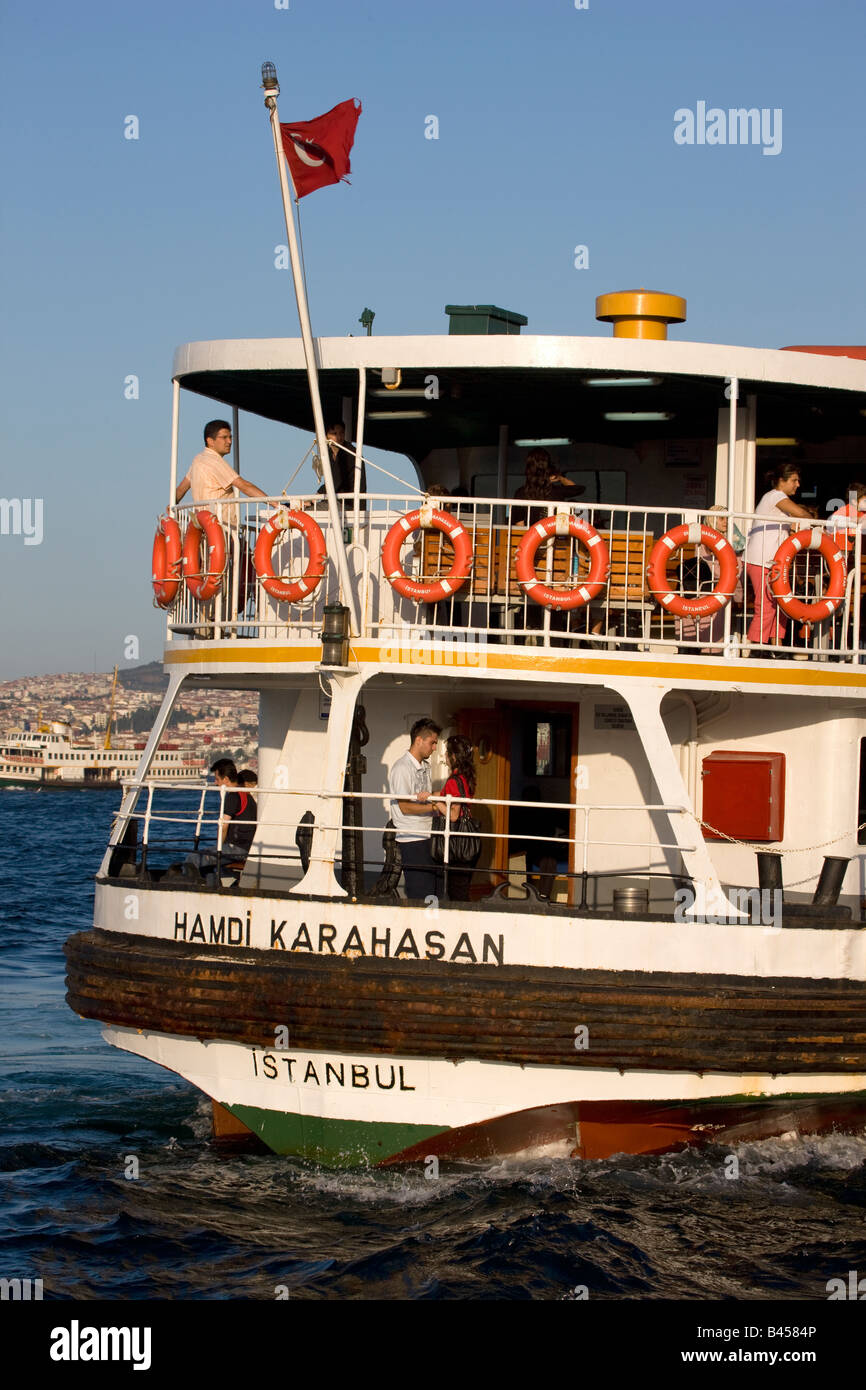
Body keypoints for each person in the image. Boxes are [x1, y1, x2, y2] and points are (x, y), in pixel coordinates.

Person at [744, 464, 814, 652]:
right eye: (794, 480)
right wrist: (814, 521)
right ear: (781, 481)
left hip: (773, 563)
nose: (798, 485)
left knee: (780, 605)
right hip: (761, 560)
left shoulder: (775, 500)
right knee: (765, 606)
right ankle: (757, 648)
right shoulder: (775, 496)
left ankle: (777, 646)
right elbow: (801, 514)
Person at [388, 718, 442, 900]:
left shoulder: (425, 767)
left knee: (433, 890)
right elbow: (405, 807)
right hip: (412, 838)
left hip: (428, 835)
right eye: (432, 742)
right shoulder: (402, 768)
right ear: (419, 740)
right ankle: (420, 926)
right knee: (420, 891)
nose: (434, 748)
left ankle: (432, 924)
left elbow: (421, 796)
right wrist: (435, 807)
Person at [431, 734, 480, 901]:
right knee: (462, 889)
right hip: (468, 841)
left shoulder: (454, 780)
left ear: (453, 756)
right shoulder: (467, 777)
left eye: (446, 753)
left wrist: (435, 801)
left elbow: (453, 815)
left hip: (456, 845)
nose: (445, 756)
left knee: (457, 893)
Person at [175, 420, 267, 504]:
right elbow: (244, 486)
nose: (229, 441)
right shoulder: (215, 461)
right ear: (210, 441)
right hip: (218, 520)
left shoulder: (198, 459)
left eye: (230, 437)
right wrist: (276, 504)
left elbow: (180, 490)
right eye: (224, 437)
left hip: (201, 519)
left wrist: (172, 504)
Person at [316, 422, 367, 502]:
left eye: (341, 433)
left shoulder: (351, 453)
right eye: (334, 434)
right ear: (326, 436)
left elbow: (335, 481)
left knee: (309, 511)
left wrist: (314, 497)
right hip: (335, 501)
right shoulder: (328, 453)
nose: (339, 437)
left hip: (349, 505)